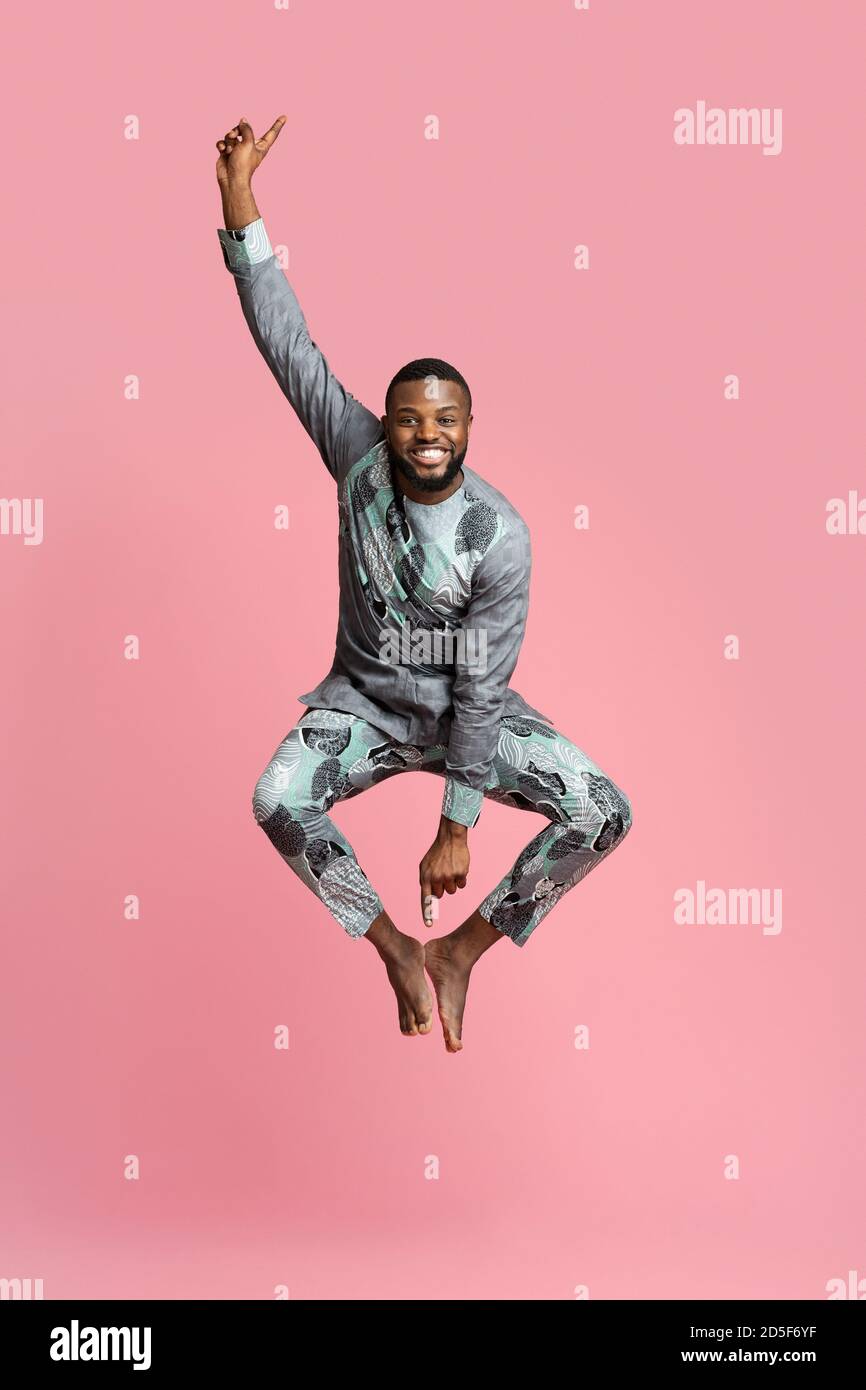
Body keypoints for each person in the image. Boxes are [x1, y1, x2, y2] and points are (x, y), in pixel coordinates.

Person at [215, 116, 633, 1052]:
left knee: (603, 812)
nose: (425, 433)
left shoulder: (501, 538)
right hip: (362, 708)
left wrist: (458, 822)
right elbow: (285, 337)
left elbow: (483, 687)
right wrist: (238, 196)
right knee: (275, 797)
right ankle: (400, 948)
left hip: (462, 720)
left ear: (470, 425)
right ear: (388, 423)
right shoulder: (354, 454)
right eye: (409, 417)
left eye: (444, 418)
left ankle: (463, 954)